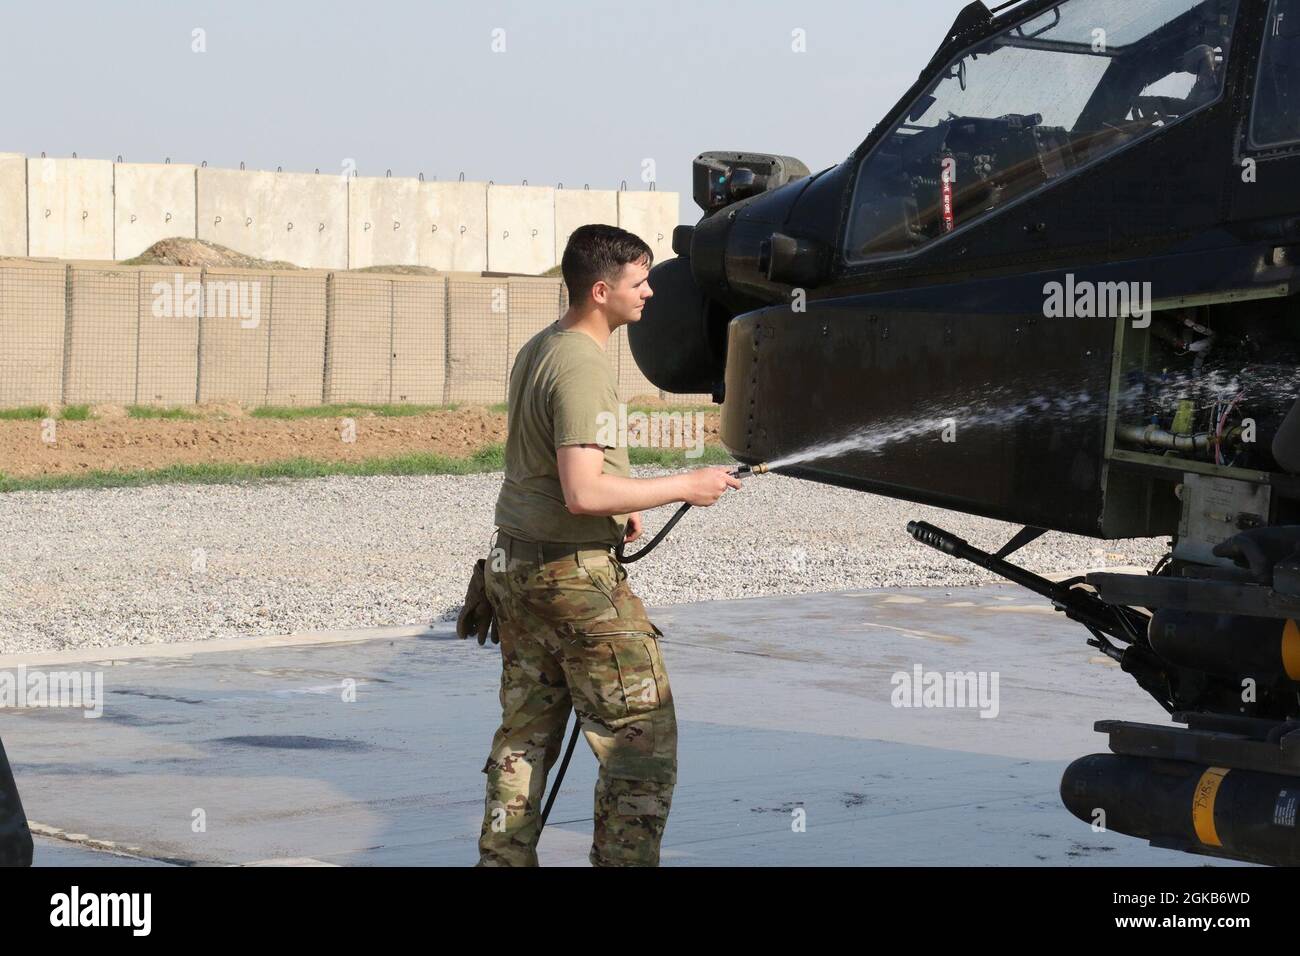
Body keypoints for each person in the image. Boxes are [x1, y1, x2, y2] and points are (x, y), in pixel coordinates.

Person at [462, 223, 740, 866]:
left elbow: (557, 471)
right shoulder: (583, 366)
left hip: (518, 568)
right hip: (573, 584)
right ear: (599, 289)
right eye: (638, 282)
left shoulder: (544, 347)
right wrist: (684, 486)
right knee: (638, 748)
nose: (648, 294)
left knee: (525, 737)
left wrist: (626, 506)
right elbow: (583, 491)